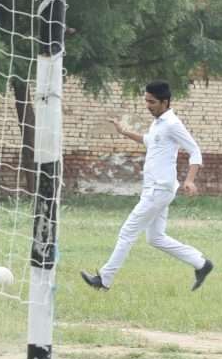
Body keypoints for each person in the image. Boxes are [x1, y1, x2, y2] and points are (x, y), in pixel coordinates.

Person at [80, 81, 214, 292]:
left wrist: (189, 180)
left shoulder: (172, 124)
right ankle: (201, 263)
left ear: (165, 101)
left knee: (127, 232)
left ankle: (103, 280)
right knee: (156, 238)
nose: (147, 105)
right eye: (146, 101)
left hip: (159, 189)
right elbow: (148, 141)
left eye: (151, 102)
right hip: (155, 189)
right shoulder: (158, 123)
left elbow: (195, 150)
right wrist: (125, 132)